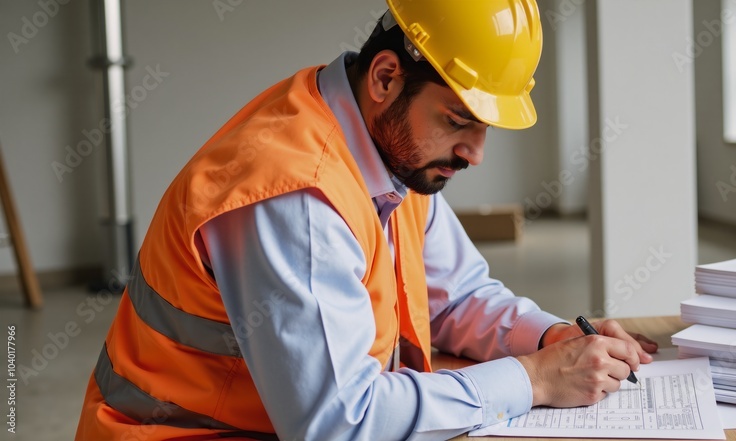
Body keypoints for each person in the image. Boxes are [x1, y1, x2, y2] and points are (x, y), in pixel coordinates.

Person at [75, 1, 658, 439]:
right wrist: (533, 379)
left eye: (486, 129)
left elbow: (455, 298)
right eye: (459, 120)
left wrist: (552, 337)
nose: (475, 153)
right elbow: (338, 424)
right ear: (385, 78)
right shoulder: (295, 195)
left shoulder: (394, 154)